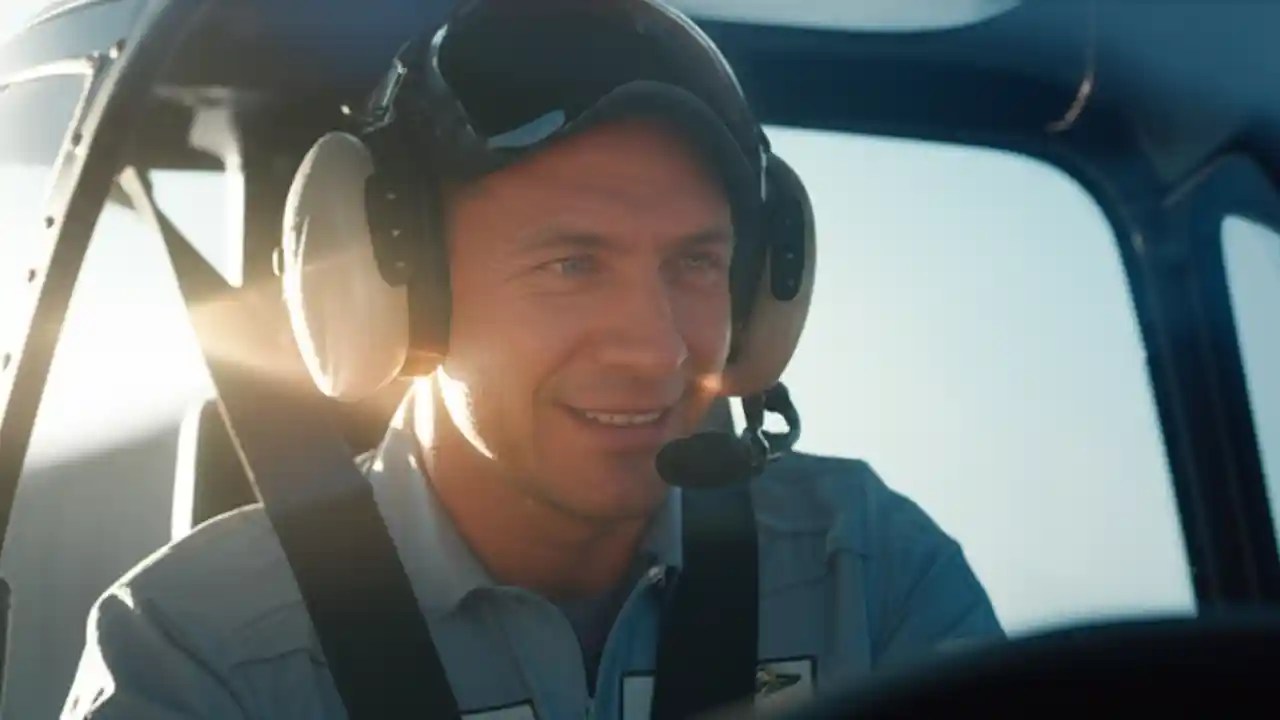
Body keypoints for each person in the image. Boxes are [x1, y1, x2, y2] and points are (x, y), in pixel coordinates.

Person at [63, 1, 1003, 718]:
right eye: (571, 264)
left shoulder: (873, 576)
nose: (656, 349)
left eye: (695, 264)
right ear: (397, 288)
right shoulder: (197, 653)